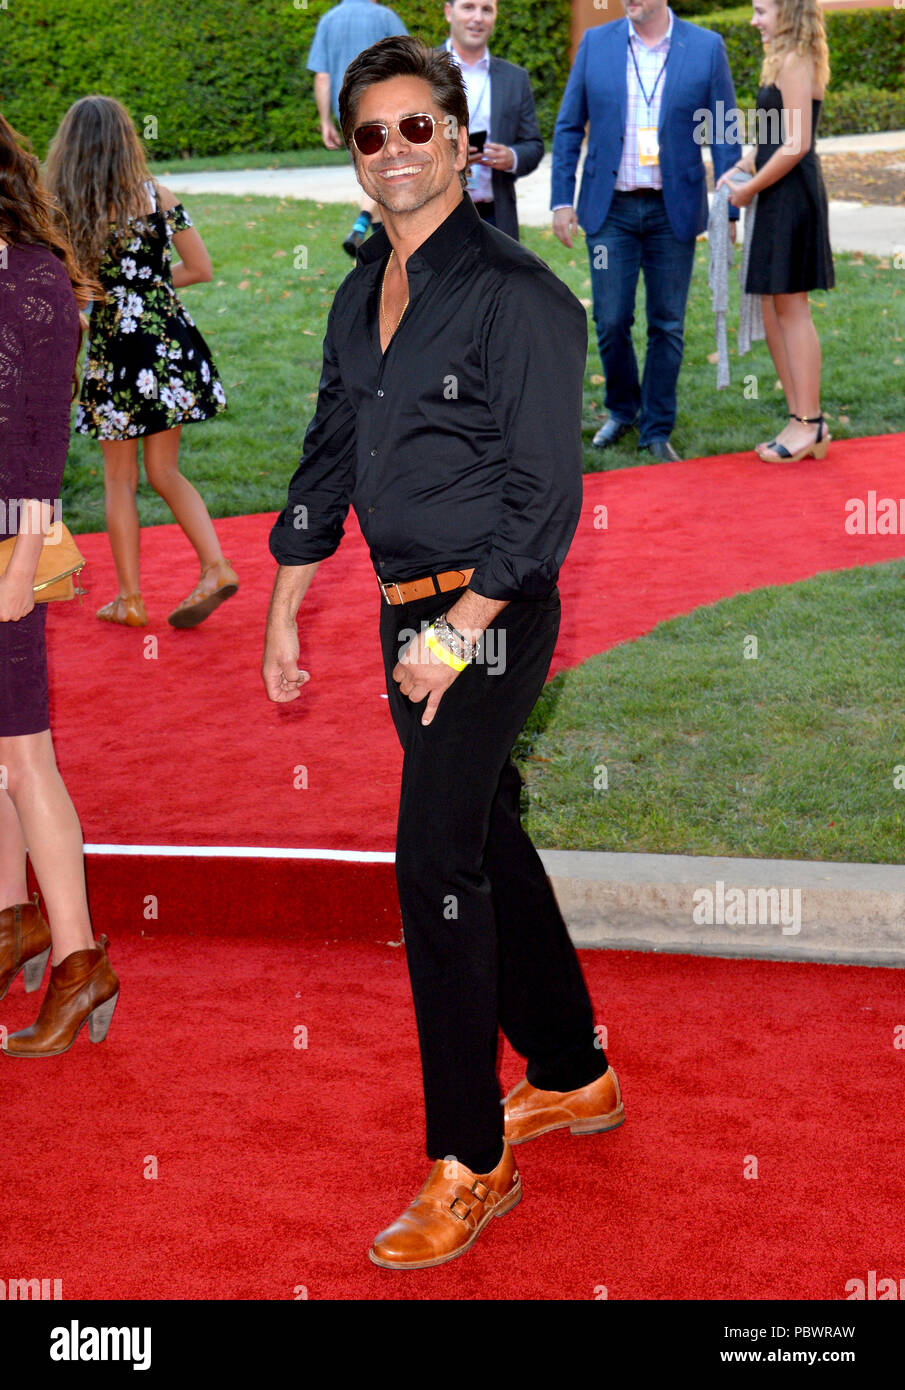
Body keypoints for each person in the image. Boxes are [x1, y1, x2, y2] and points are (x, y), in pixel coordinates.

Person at [264, 36, 624, 1272]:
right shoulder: (357, 294)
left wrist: (457, 634)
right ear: (353, 158)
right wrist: (285, 592)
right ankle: (572, 1070)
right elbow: (328, 446)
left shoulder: (522, 296)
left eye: (420, 128)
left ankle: (470, 1157)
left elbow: (544, 495)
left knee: (432, 863)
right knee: (483, 828)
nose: (398, 153)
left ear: (463, 142)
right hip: (394, 612)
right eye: (373, 135)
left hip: (489, 616)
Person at [0, 113, 119, 1058]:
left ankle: (80, 960)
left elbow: (42, 448)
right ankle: (13, 920)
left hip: (6, 543)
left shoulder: (34, 280)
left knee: (25, 751)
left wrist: (16, 567)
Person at [45, 95, 236, 629]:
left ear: (71, 147)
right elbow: (199, 268)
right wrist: (146, 285)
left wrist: (104, 297)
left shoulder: (63, 206)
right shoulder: (157, 194)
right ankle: (216, 565)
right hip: (168, 343)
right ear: (127, 139)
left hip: (117, 353)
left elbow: (68, 289)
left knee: (118, 479)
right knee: (166, 470)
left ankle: (130, 599)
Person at [552, 0, 741, 461]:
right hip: (609, 208)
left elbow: (725, 130)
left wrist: (730, 209)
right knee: (611, 319)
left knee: (668, 324)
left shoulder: (706, 47)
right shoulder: (597, 43)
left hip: (672, 208)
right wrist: (561, 198)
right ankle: (621, 408)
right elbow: (569, 125)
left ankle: (656, 426)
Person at [717, 0, 833, 463]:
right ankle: (799, 418)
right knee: (772, 308)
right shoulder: (784, 58)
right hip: (775, 192)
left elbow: (797, 143)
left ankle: (810, 423)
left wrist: (749, 191)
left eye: (762, 10)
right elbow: (773, 137)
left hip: (791, 197)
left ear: (789, 11)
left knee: (791, 308)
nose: (754, 20)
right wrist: (742, 166)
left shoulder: (796, 58)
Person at [308, 0, 407, 255]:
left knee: (375, 175)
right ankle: (366, 225)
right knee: (386, 177)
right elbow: (410, 66)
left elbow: (321, 77)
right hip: (387, 111)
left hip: (350, 117)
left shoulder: (328, 21)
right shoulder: (385, 18)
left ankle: (376, 248)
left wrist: (326, 121)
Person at [440, 0, 544, 240]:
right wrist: (450, 162)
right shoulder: (422, 69)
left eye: (487, 9)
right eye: (469, 7)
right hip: (436, 217)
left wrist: (512, 157)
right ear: (449, 12)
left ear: (495, 17)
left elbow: (534, 145)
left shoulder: (514, 78)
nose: (478, 17)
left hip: (496, 218)